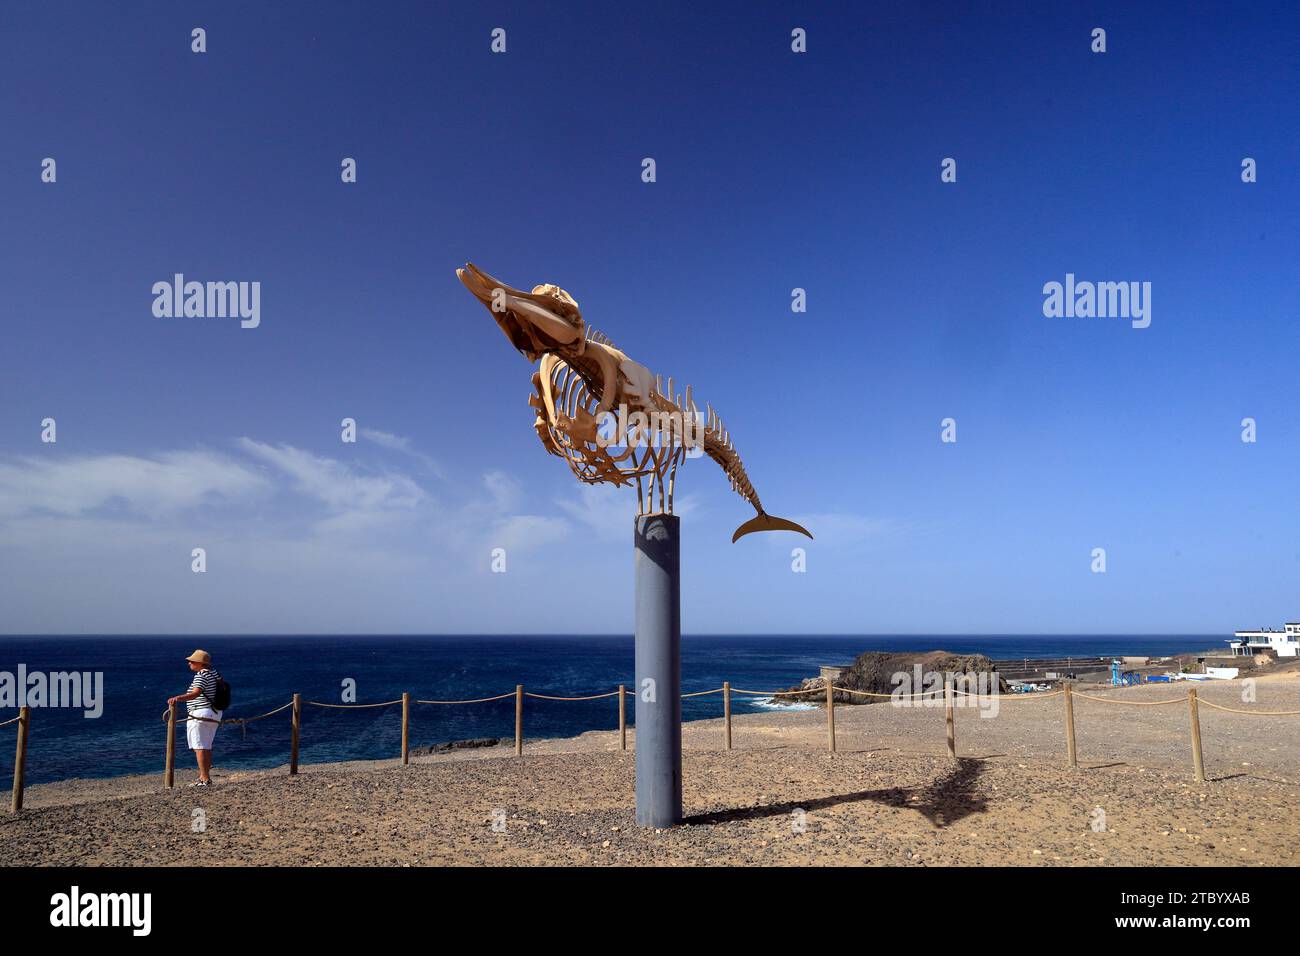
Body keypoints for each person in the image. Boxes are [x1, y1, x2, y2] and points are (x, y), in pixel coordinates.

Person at [167, 650, 224, 787]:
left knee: (199, 746)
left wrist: (178, 698)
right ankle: (204, 777)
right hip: (214, 712)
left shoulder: (201, 675)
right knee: (206, 746)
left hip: (200, 714)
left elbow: (196, 693)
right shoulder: (214, 674)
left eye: (192, 661)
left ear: (200, 663)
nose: (189, 663)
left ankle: (204, 779)